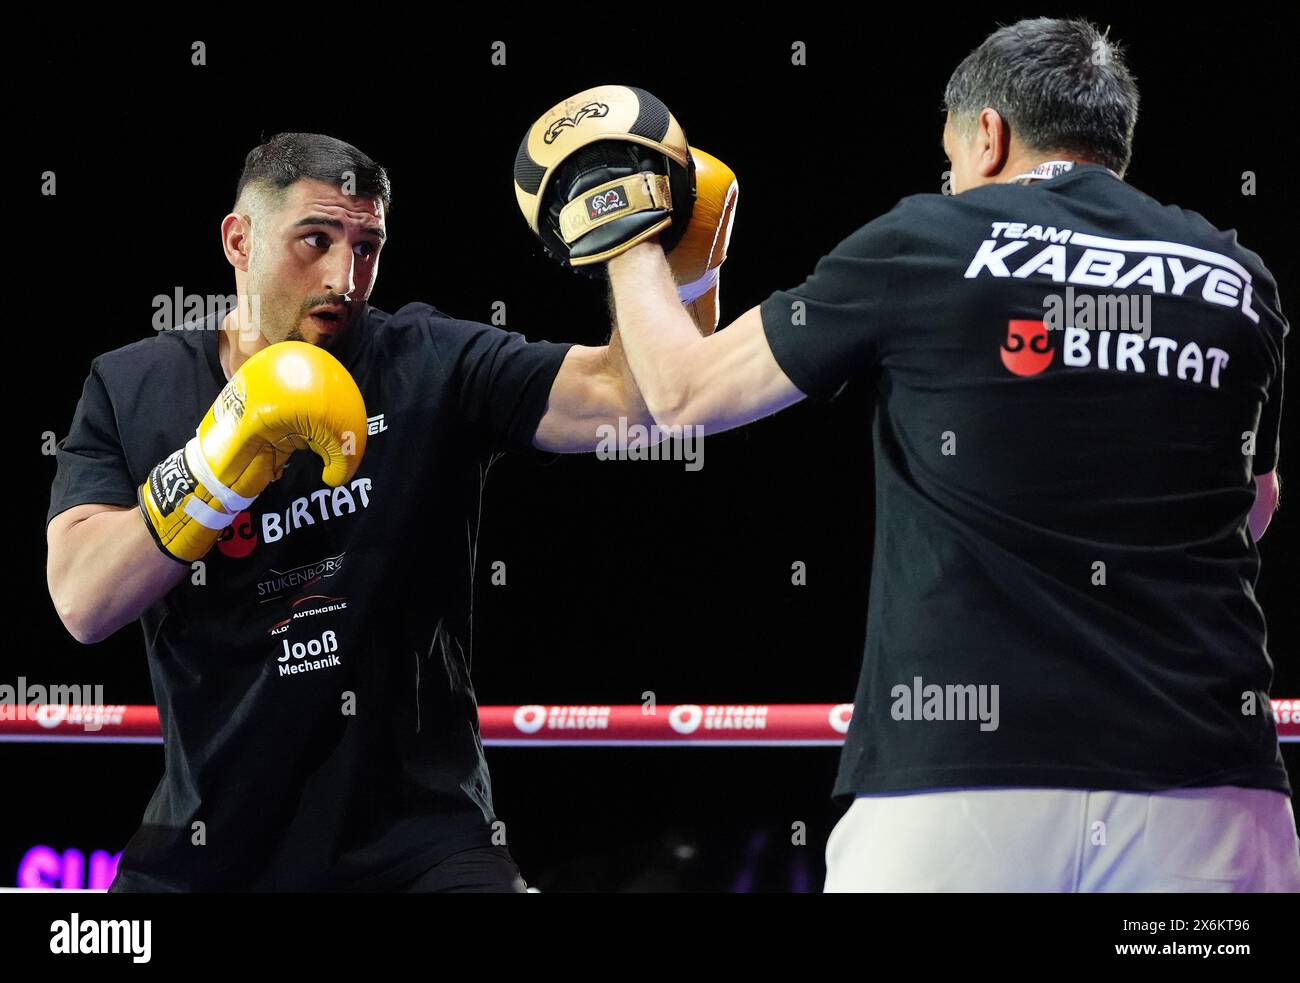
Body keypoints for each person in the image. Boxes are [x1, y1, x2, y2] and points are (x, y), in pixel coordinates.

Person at [601, 18, 1298, 890]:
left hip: (964, 788)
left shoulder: (929, 240)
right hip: (1212, 793)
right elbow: (1256, 503)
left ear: (988, 134)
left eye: (953, 159)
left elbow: (679, 397)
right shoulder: (1237, 274)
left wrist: (622, 223)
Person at [44, 126, 729, 892]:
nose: (345, 275)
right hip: (204, 851)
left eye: (367, 246)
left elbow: (640, 402)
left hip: (423, 845)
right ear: (239, 239)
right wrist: (217, 464)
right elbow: (82, 598)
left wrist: (679, 264)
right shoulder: (131, 386)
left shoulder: (429, 361)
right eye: (316, 239)